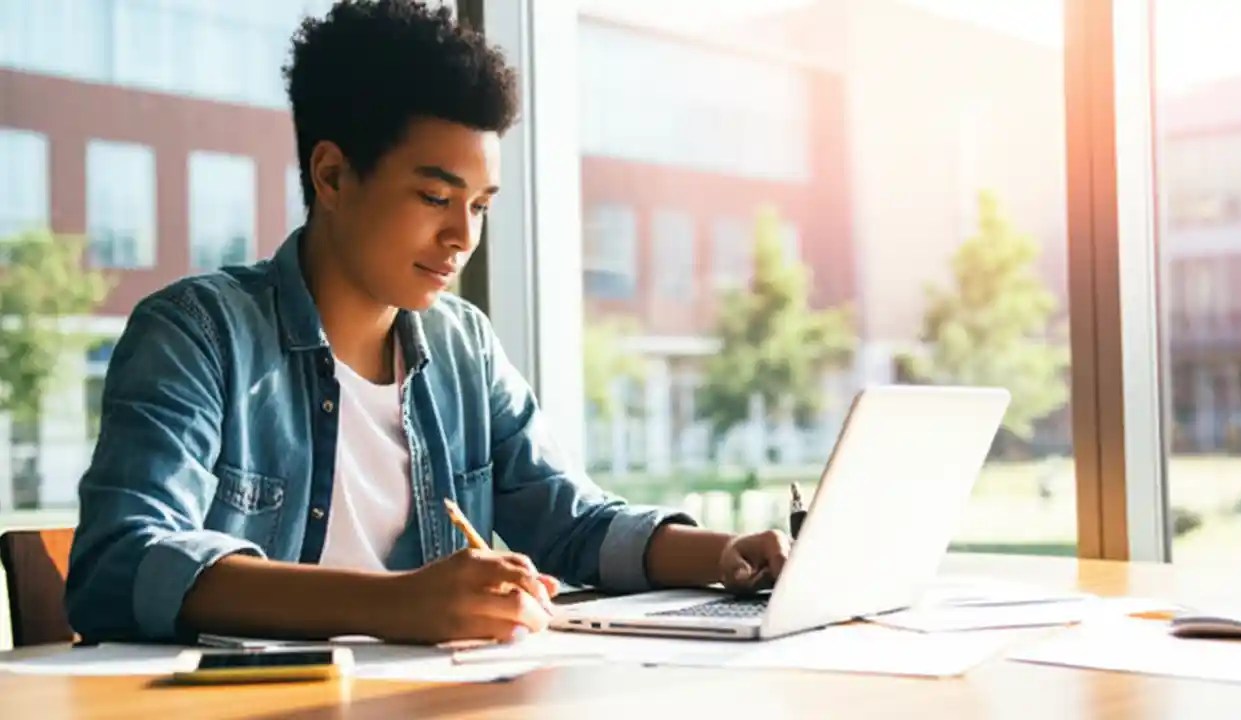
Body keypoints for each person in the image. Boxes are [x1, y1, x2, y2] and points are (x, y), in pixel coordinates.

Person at [65, 0, 789, 645]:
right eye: (434, 197)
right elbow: (119, 563)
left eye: (479, 206)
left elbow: (572, 523)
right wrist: (395, 605)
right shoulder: (199, 334)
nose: (462, 238)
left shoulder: (462, 345)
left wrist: (728, 558)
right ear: (332, 175)